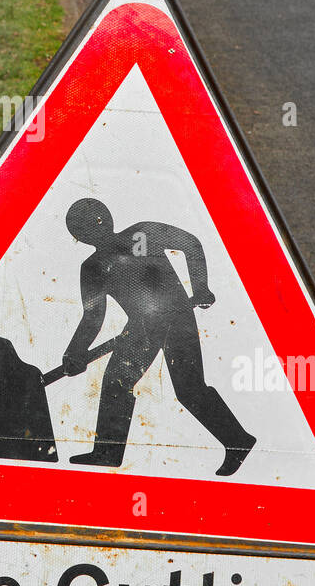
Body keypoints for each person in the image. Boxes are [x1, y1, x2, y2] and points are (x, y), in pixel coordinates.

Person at [62, 199, 256, 476]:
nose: (99, 228)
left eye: (98, 220)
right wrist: (75, 351)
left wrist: (201, 287)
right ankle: (107, 452)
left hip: (176, 316)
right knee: (116, 383)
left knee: (189, 389)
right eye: (90, 226)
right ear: (79, 237)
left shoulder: (141, 232)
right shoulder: (93, 267)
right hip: (141, 327)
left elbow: (190, 243)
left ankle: (237, 440)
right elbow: (93, 317)